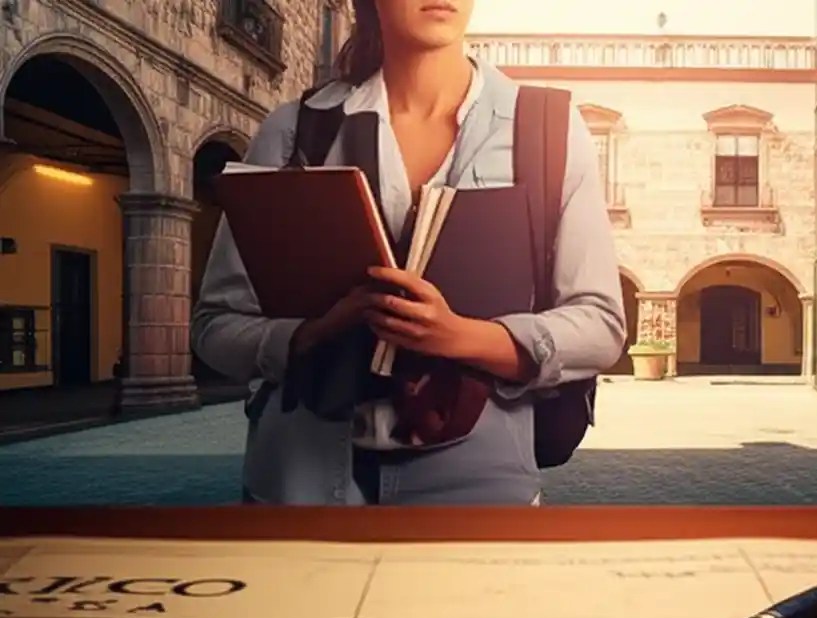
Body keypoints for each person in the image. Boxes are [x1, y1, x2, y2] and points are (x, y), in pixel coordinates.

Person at [191, 0, 625, 505]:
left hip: (480, 489)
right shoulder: (294, 131)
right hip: (301, 481)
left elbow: (601, 325)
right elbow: (214, 325)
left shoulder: (546, 129)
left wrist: (461, 336)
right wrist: (315, 332)